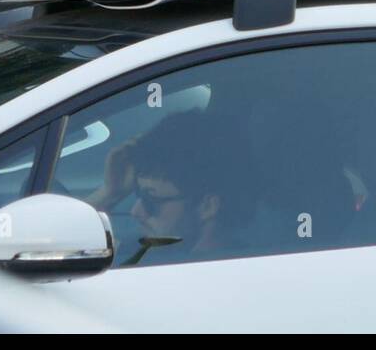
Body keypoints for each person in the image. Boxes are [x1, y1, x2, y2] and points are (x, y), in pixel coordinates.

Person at [85, 109, 253, 264]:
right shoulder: (159, 252)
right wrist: (111, 192)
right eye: (137, 193)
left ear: (208, 206)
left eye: (151, 200)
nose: (136, 211)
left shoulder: (206, 274)